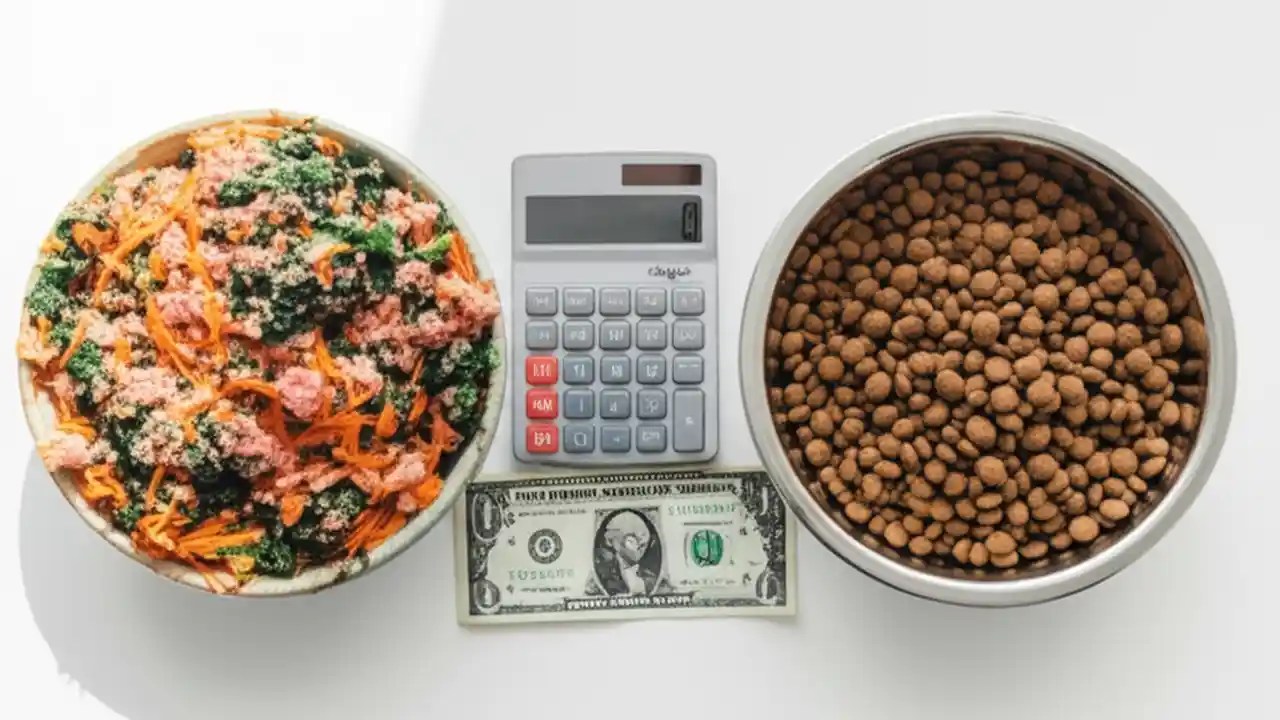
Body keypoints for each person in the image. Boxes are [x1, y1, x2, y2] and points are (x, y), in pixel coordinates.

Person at [593, 510, 661, 595]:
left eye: (643, 543)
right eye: (631, 540)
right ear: (611, 541)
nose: (638, 546)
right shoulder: (605, 575)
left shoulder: (650, 578)